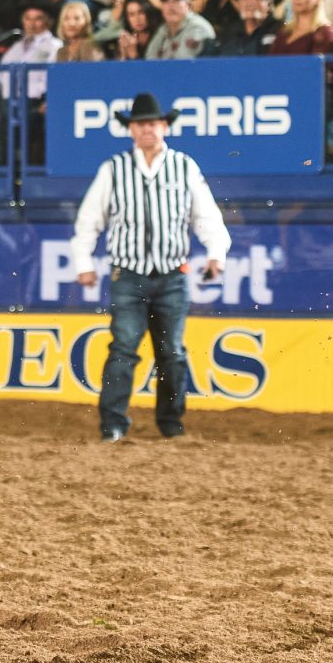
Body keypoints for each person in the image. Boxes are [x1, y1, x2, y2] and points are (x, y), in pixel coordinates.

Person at [69, 92, 231, 443]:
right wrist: (83, 261)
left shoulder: (184, 166)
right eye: (140, 124)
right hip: (128, 275)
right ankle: (113, 424)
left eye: (153, 124)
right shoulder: (113, 170)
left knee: (172, 353)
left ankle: (171, 423)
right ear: (131, 130)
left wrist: (216, 253)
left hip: (172, 275)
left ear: (164, 127)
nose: (147, 130)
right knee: (124, 348)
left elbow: (205, 216)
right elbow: (89, 219)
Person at [145, 0, 214, 59]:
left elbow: (182, 63)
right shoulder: (164, 28)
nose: (170, 6)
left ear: (188, 5)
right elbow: (150, 58)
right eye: (166, 2)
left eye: (176, 1)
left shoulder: (197, 26)